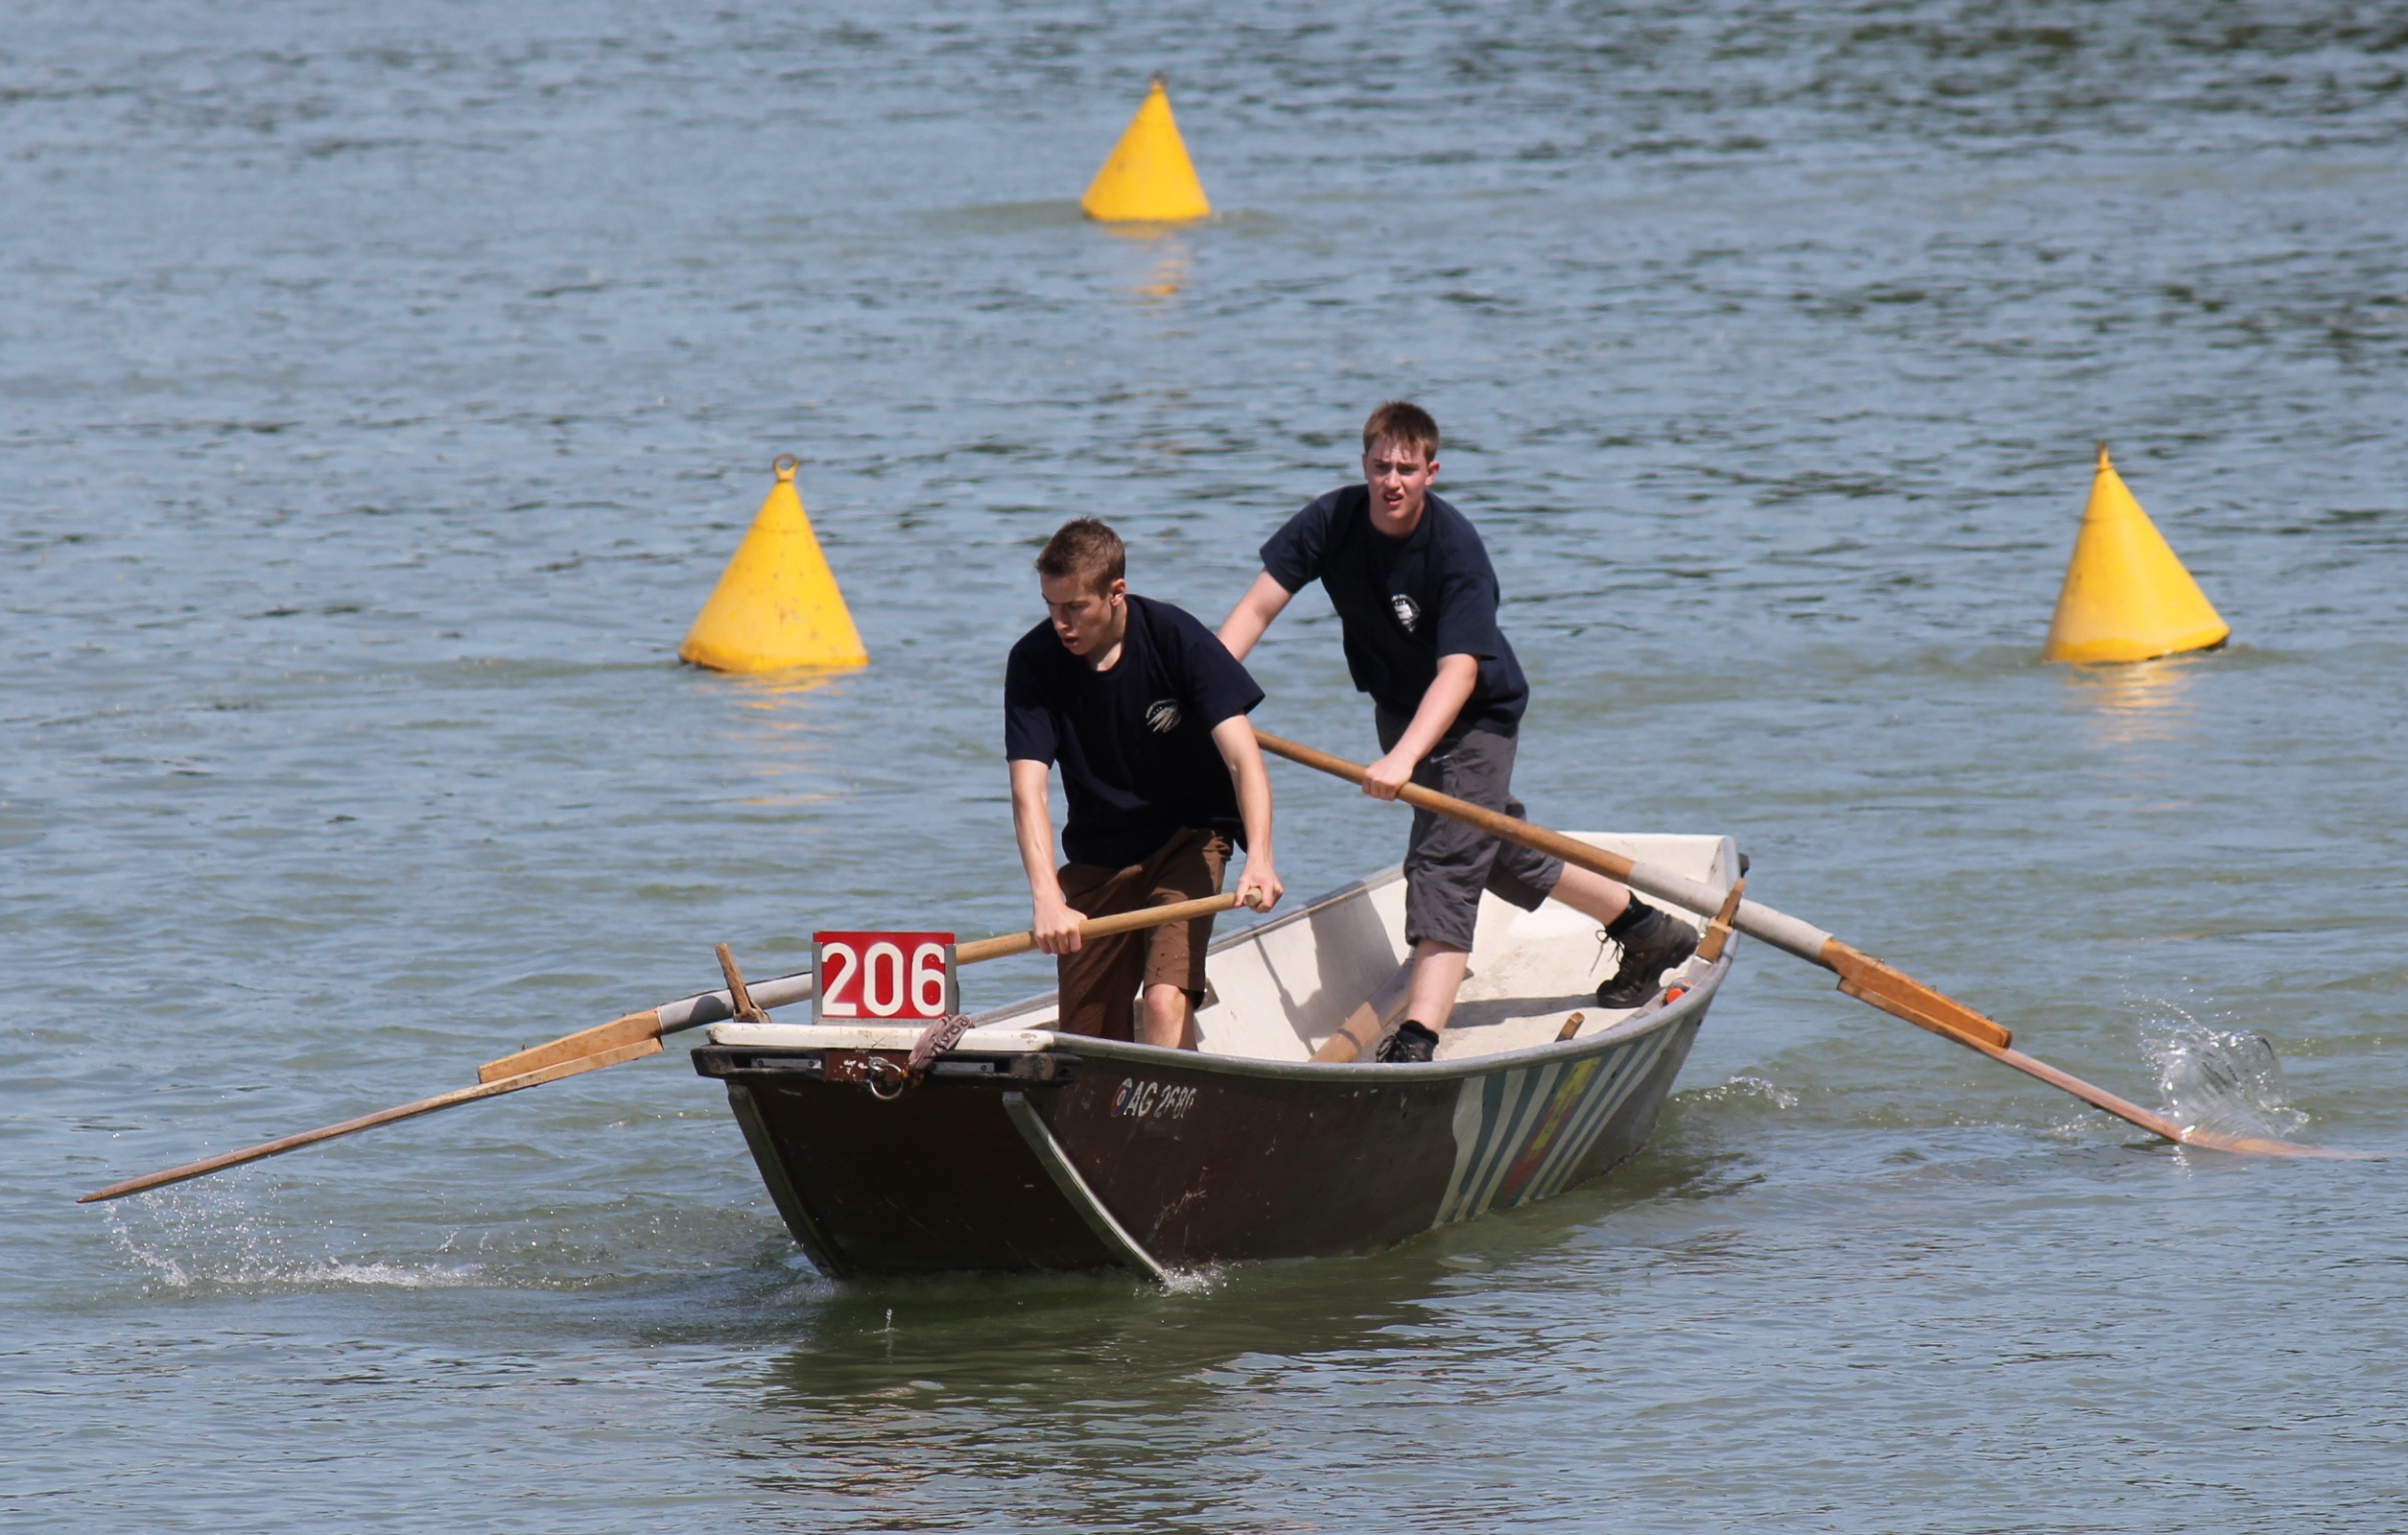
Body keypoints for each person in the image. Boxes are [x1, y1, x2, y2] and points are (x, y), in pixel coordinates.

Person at [1216, 401, 1694, 1064]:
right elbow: (1258, 607)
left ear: (1430, 472)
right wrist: (1205, 694)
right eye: (1381, 466)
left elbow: (1461, 672)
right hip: (1397, 704)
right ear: (1364, 466)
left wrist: (1404, 758)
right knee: (1491, 847)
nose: (1391, 481)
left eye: (1406, 469)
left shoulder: (1456, 549)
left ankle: (1417, 1040)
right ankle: (1647, 929)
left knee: (1443, 863)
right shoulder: (1331, 519)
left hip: (1473, 716)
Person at [1006, 518, 1283, 1047]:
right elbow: (1029, 792)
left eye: (1075, 607)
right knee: (1088, 1045)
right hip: (1099, 855)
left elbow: (1244, 761)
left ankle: (1170, 1125)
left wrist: (1261, 859)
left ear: (1116, 593)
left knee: (1162, 998)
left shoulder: (1177, 638)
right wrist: (1046, 897)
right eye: (1050, 605)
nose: (1061, 623)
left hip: (1189, 837)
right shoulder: (1033, 662)